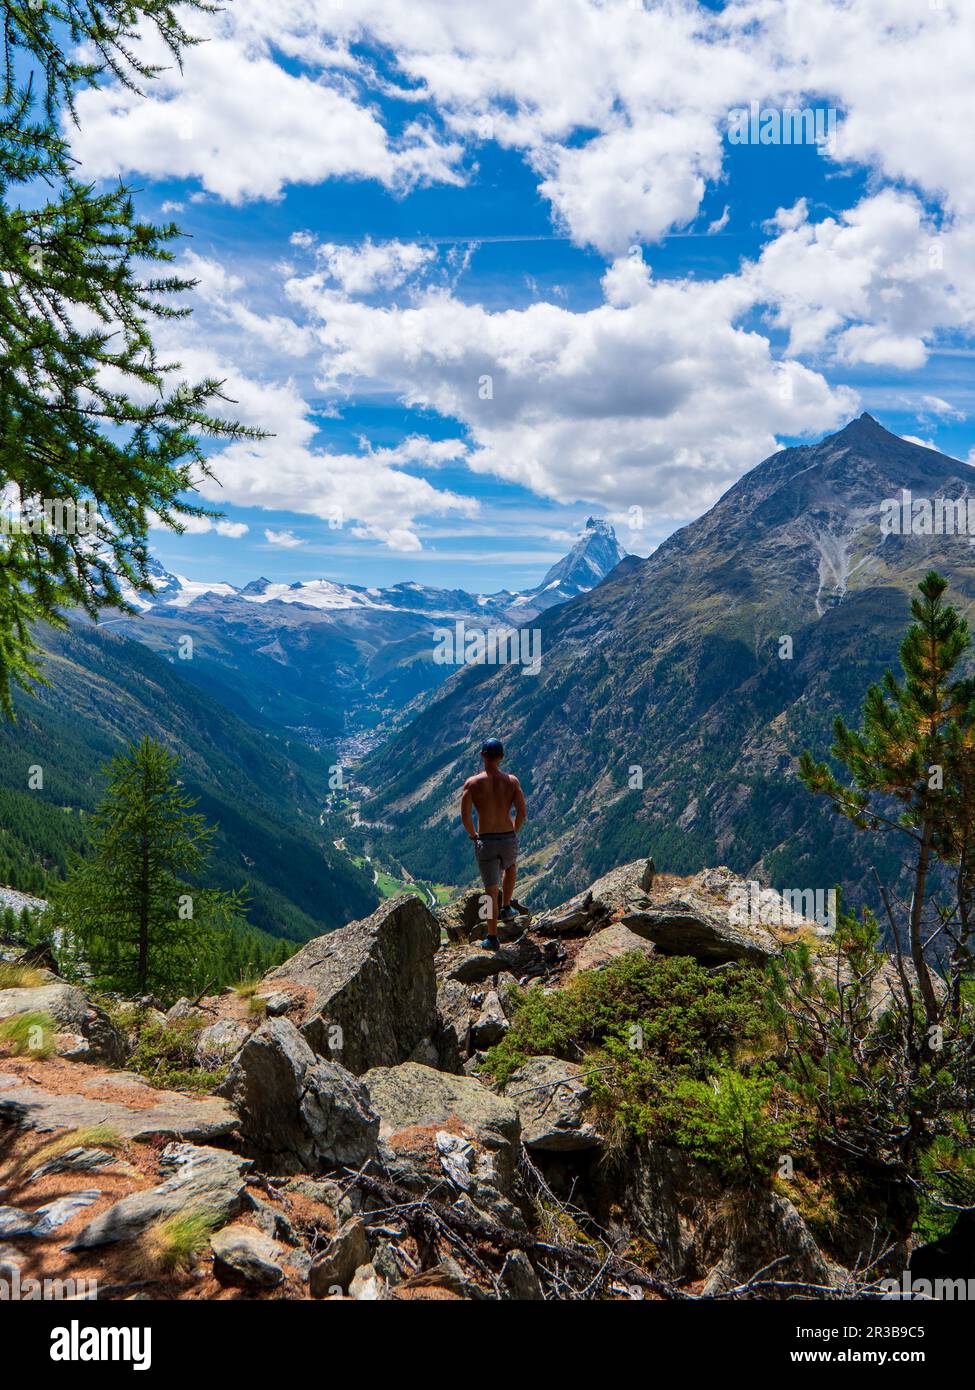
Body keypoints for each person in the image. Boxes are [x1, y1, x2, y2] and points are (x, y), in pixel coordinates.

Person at [460, 738, 527, 950]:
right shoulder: (512, 781)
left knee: (490, 891)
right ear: (501, 757)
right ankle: (507, 907)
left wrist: (474, 836)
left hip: (486, 840)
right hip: (508, 836)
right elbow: (522, 812)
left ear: (482, 755)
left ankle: (492, 937)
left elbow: (465, 816)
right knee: (510, 867)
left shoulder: (472, 784)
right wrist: (513, 831)